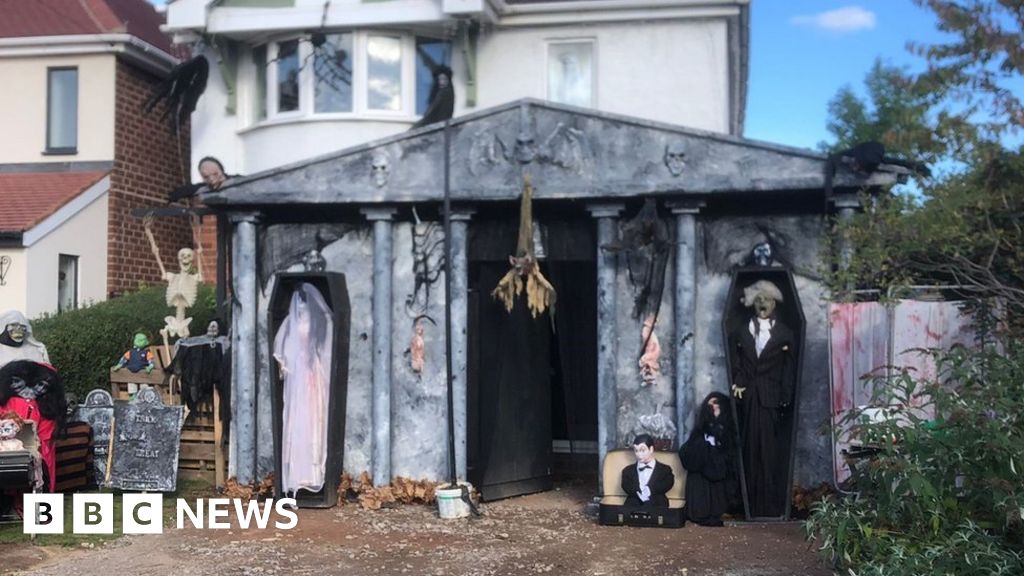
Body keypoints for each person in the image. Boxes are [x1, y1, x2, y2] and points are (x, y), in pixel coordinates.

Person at [730, 280, 796, 517]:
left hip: (771, 399)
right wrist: (738, 382)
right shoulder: (742, 330)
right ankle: (748, 504)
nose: (762, 304)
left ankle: (769, 505)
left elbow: (788, 369)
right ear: (752, 304)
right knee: (749, 449)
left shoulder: (784, 334)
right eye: (758, 300)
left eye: (766, 300)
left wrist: (785, 396)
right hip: (749, 399)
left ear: (774, 303)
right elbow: (737, 362)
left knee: (769, 451)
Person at [679, 392, 736, 526]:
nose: (712, 407)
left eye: (716, 403)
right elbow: (688, 454)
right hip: (700, 477)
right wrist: (704, 448)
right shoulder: (700, 431)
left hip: (719, 475)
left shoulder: (729, 431)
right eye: (709, 404)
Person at [621, 433, 674, 508]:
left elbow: (668, 483)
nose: (639, 454)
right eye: (636, 451)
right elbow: (625, 486)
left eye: (642, 450)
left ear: (651, 449)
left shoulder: (665, 470)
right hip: (633, 506)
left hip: (658, 506)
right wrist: (637, 492)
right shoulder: (627, 471)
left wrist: (650, 490)